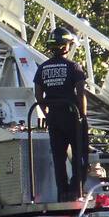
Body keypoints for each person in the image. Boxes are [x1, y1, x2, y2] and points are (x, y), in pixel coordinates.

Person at [34, 27, 89, 202]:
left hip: (54, 118)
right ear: (66, 46)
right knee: (81, 156)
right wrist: (83, 116)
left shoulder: (42, 68)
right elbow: (81, 94)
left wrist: (47, 114)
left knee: (59, 157)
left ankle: (62, 193)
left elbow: (38, 95)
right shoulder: (74, 67)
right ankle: (76, 191)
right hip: (72, 116)